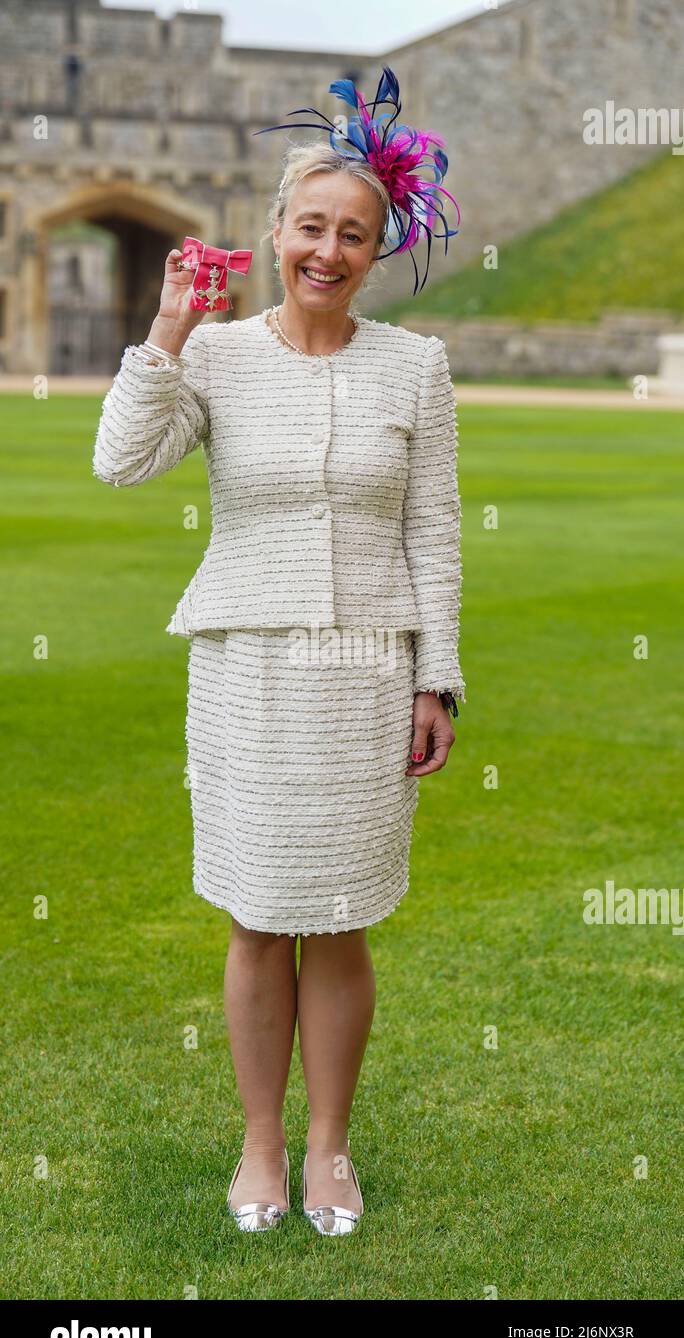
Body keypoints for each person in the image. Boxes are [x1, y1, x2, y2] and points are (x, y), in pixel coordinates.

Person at [92, 66, 465, 1236]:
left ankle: (329, 1147)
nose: (327, 250)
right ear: (276, 233)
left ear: (376, 249)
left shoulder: (416, 365)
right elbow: (120, 461)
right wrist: (167, 328)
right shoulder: (215, 356)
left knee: (340, 916)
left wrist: (437, 677)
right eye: (311, 226)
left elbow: (434, 529)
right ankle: (260, 1145)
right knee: (257, 914)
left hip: (366, 676)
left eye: (352, 233)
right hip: (246, 672)